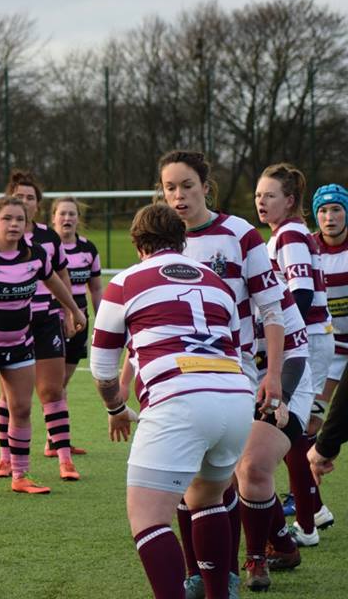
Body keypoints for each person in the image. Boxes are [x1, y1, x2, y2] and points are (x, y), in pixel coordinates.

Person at [90, 203, 254, 599]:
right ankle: (219, 592)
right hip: (236, 397)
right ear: (182, 240)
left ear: (138, 243)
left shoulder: (126, 281)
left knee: (147, 518)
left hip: (180, 399)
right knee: (207, 495)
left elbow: (102, 369)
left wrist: (115, 408)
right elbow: (237, 344)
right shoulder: (216, 282)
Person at [158, 150, 296, 596]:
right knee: (187, 477)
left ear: (205, 187)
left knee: (222, 474)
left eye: (187, 186)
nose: (178, 196)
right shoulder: (162, 240)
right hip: (178, 377)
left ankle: (232, 571)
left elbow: (271, 310)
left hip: (233, 373)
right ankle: (196, 572)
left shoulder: (239, 234)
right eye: (170, 188)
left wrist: (272, 375)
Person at [0, 196, 86, 497]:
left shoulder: (35, 254)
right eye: (7, 219)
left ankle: (20, 475)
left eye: (20, 220)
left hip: (21, 344)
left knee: (22, 409)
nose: (14, 225)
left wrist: (74, 310)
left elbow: (54, 282)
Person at [256, 164, 336, 547]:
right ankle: (313, 509)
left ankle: (307, 521)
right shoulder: (287, 233)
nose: (261, 201)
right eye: (258, 194)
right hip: (311, 337)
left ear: (289, 201)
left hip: (308, 339)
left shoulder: (289, 234)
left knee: (288, 427)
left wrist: (286, 344)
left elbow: (300, 293)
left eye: (269, 195)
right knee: (292, 428)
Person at [0, 171, 82, 482]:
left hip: (46, 320)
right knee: (10, 397)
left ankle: (64, 458)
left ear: (38, 204)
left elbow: (62, 276)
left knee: (51, 389)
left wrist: (69, 312)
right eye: (19, 197)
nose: (25, 203)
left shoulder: (48, 237)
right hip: (12, 324)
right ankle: (5, 458)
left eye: (30, 198)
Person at [307, 184, 348, 484]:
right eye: (322, 210)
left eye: (336, 209)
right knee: (309, 422)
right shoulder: (307, 249)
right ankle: (309, 498)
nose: (329, 216)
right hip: (329, 352)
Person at [50, 196, 103, 389]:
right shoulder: (46, 248)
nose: (67, 218)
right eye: (62, 213)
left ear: (78, 219)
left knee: (63, 381)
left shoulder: (88, 249)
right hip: (51, 317)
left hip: (80, 318)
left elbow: (96, 288)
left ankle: (56, 415)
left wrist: (102, 320)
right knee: (50, 380)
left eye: (72, 213)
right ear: (53, 218)